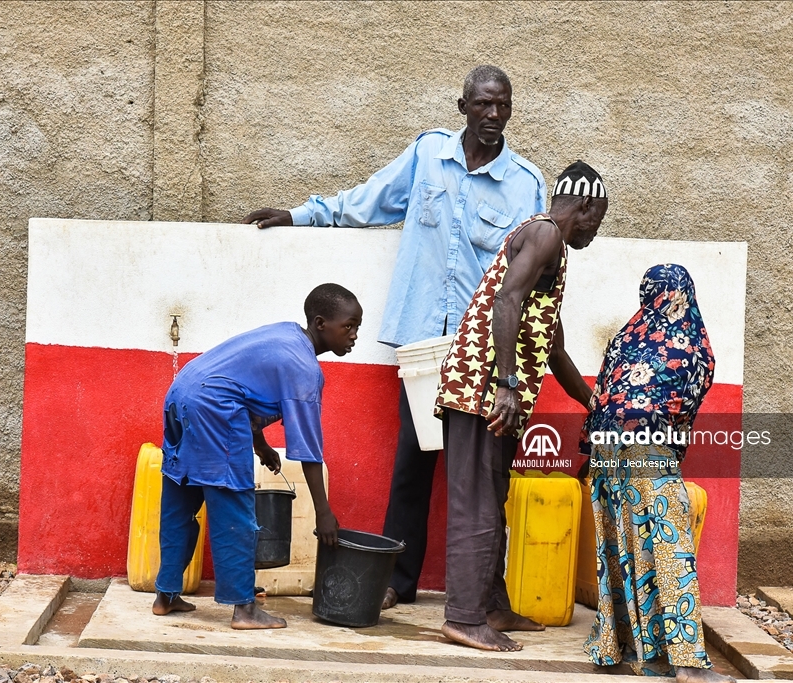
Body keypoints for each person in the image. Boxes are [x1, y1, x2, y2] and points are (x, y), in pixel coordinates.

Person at [241, 65, 546, 610]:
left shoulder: (527, 185)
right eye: (482, 105)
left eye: (502, 105)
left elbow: (533, 280)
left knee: (484, 477)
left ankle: (485, 596)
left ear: (511, 109)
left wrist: (511, 368)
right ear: (463, 107)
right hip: (425, 347)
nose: (492, 115)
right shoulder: (429, 156)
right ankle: (397, 582)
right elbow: (370, 199)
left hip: (480, 350)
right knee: (413, 465)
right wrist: (300, 215)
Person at [435, 161, 608, 652]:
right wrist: (506, 384)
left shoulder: (548, 245)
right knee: (477, 508)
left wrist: (591, 403)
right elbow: (507, 301)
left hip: (491, 393)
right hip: (483, 393)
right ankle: (464, 618)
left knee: (493, 501)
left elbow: (552, 347)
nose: (596, 231)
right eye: (599, 218)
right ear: (587, 208)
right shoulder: (546, 234)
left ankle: (491, 607)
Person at [151, 283, 362, 629]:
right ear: (321, 323)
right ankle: (244, 609)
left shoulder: (286, 334)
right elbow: (308, 450)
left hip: (182, 392)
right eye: (349, 326)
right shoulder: (305, 369)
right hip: (214, 409)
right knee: (234, 506)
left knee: (181, 497)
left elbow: (240, 385)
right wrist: (324, 513)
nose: (354, 335)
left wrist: (261, 445)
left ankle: (166, 595)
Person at [578, 264, 734, 682]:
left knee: (620, 544)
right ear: (686, 294)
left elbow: (603, 395)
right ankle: (686, 664)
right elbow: (683, 409)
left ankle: (617, 646)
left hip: (603, 446)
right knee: (669, 545)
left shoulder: (625, 336)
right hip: (648, 444)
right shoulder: (693, 344)